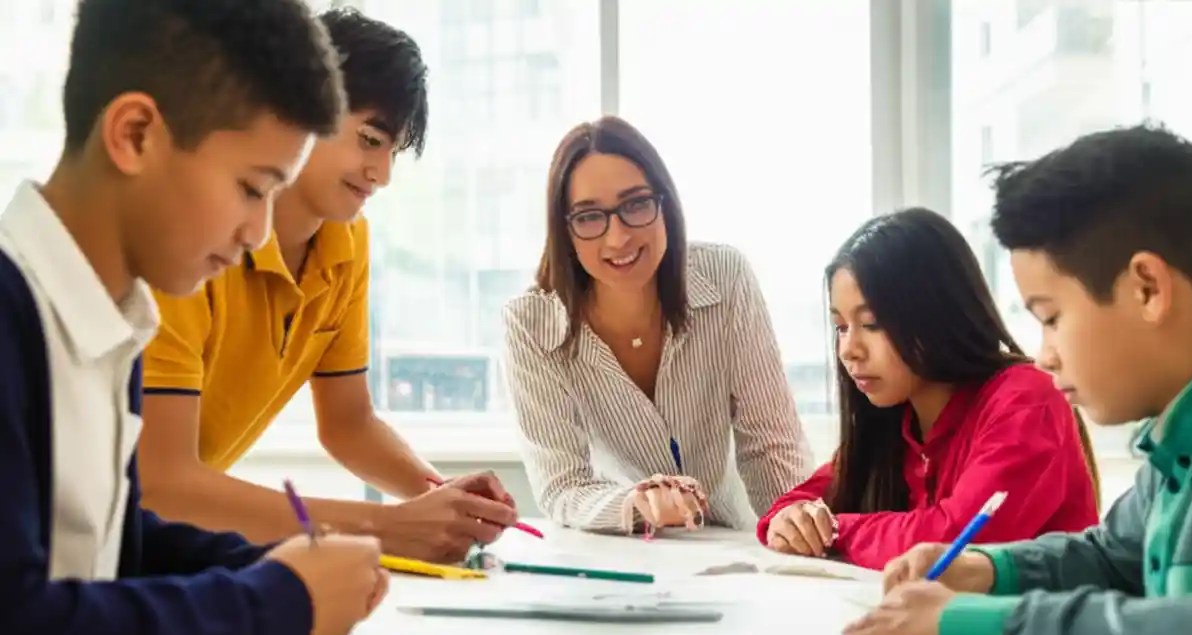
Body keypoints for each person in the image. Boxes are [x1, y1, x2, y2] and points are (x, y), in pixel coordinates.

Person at [0, 1, 387, 635]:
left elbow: (112, 541)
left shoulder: (113, 323)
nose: (257, 230)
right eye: (251, 187)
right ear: (136, 134)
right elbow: (17, 634)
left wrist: (276, 562)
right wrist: (277, 600)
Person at [844, 126, 1192, 635]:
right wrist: (988, 569)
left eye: (1050, 318)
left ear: (1147, 289)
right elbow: (1111, 558)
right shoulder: (1189, 441)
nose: (1045, 354)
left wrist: (978, 628)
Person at [139, 7, 517, 563]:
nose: (381, 173)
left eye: (392, 151)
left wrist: (441, 503)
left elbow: (348, 423)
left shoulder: (347, 242)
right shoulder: (193, 235)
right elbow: (162, 483)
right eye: (368, 138)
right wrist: (386, 526)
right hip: (90, 536)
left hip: (155, 536)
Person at [502, 116, 811, 534]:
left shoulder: (725, 277)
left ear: (664, 204)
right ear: (565, 229)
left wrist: (792, 523)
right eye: (590, 216)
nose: (617, 238)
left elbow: (769, 444)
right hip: (617, 552)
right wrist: (635, 504)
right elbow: (563, 486)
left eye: (635, 205)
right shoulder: (531, 324)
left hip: (727, 544)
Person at [757, 208, 1099, 569]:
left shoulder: (1026, 397)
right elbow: (793, 506)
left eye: (871, 324)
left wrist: (834, 531)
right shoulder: (895, 415)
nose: (848, 350)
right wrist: (790, 521)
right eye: (841, 327)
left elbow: (953, 544)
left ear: (935, 314)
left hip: (1030, 623)